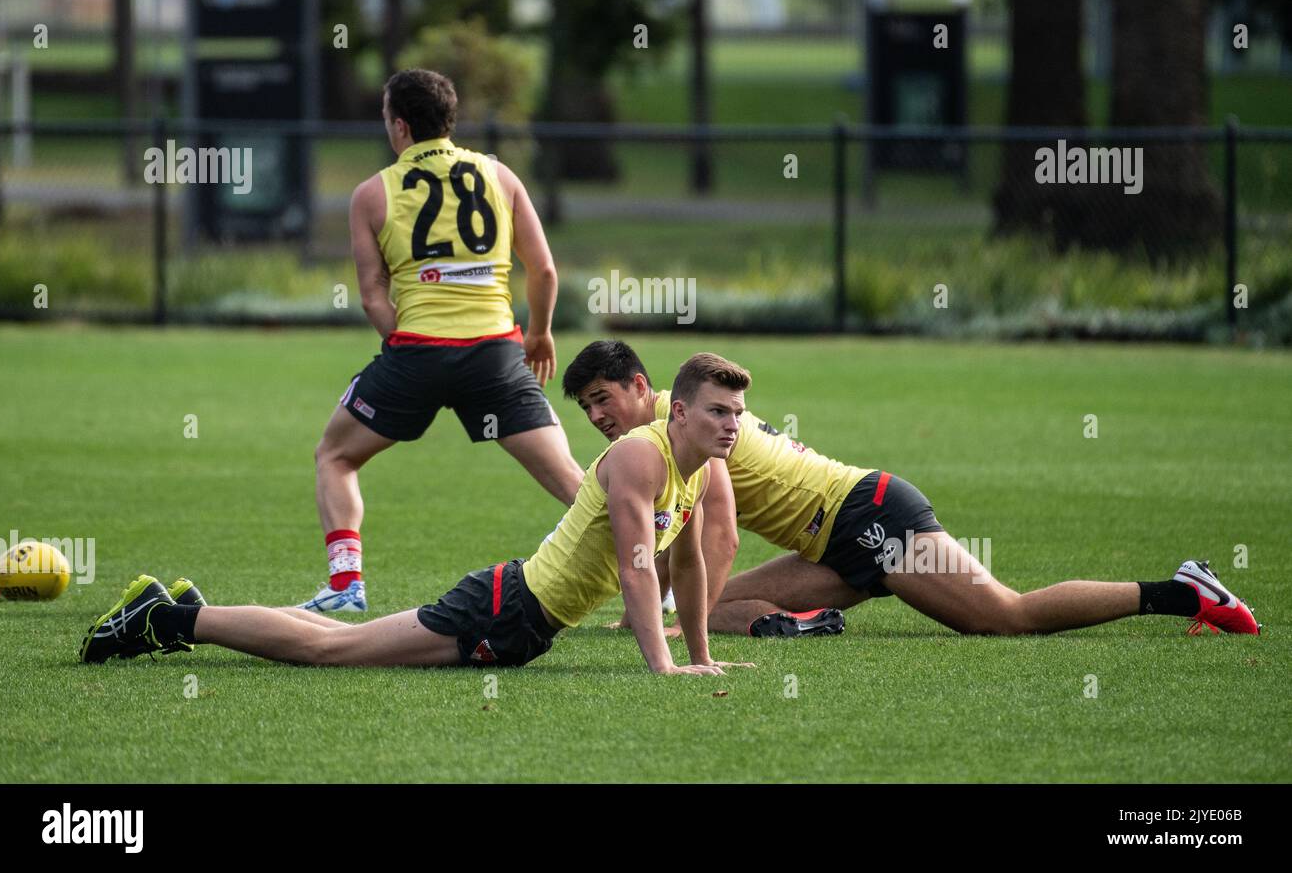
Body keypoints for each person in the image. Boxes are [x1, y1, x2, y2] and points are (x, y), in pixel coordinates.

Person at [79, 355, 760, 676]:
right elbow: (643, 569)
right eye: (717, 411)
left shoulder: (695, 469)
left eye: (736, 413)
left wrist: (703, 654)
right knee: (331, 649)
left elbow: (690, 563)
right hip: (503, 609)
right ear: (678, 410)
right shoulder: (642, 457)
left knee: (331, 633)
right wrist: (666, 668)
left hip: (521, 618)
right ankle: (166, 619)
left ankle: (191, 608)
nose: (731, 424)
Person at [563, 341, 1262, 639]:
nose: (597, 417)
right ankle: (801, 622)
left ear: (642, 388)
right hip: (833, 537)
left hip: (869, 514)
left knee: (1004, 616)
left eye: (602, 399)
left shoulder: (677, 423)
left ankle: (1180, 591)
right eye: (585, 408)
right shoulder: (670, 425)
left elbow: (717, 533)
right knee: (712, 606)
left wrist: (661, 618)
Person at [303, 69, 583, 614]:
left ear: (400, 125)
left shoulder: (370, 194)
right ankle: (656, 580)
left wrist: (408, 350)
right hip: (496, 354)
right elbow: (544, 271)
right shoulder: (500, 177)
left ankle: (345, 588)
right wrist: (541, 333)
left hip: (417, 355)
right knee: (573, 479)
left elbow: (372, 295)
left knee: (334, 456)